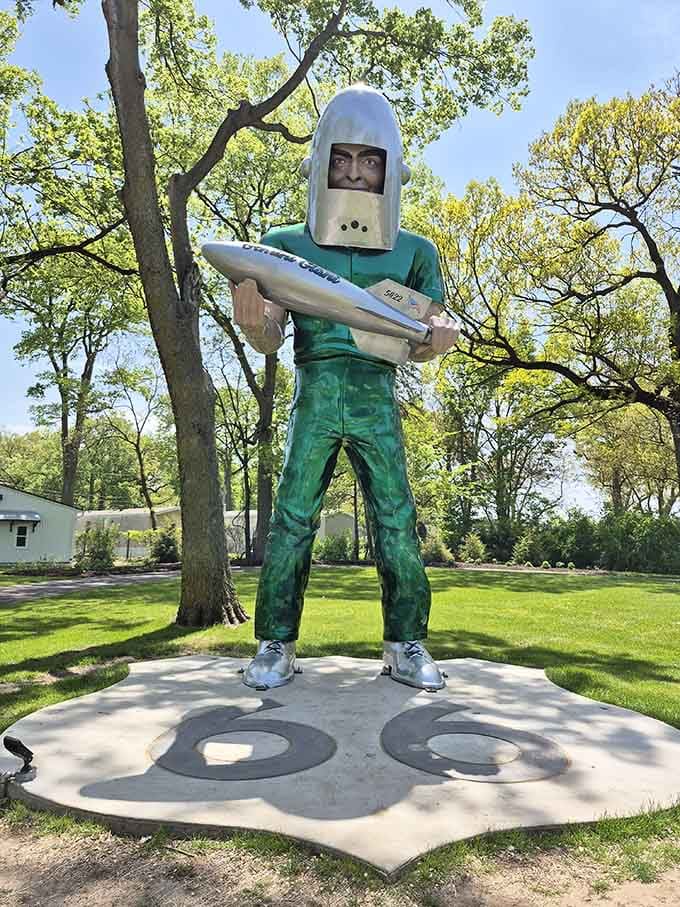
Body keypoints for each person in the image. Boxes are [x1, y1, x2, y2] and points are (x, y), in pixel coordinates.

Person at [230, 84, 460, 692]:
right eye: (343, 158)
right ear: (322, 161)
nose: (355, 173)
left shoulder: (415, 252)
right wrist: (256, 324)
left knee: (396, 519)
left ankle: (405, 641)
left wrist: (441, 331)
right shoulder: (281, 248)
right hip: (315, 391)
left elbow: (430, 322)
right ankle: (275, 642)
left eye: (369, 160)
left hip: (376, 396)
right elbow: (273, 335)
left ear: (389, 166)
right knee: (292, 518)